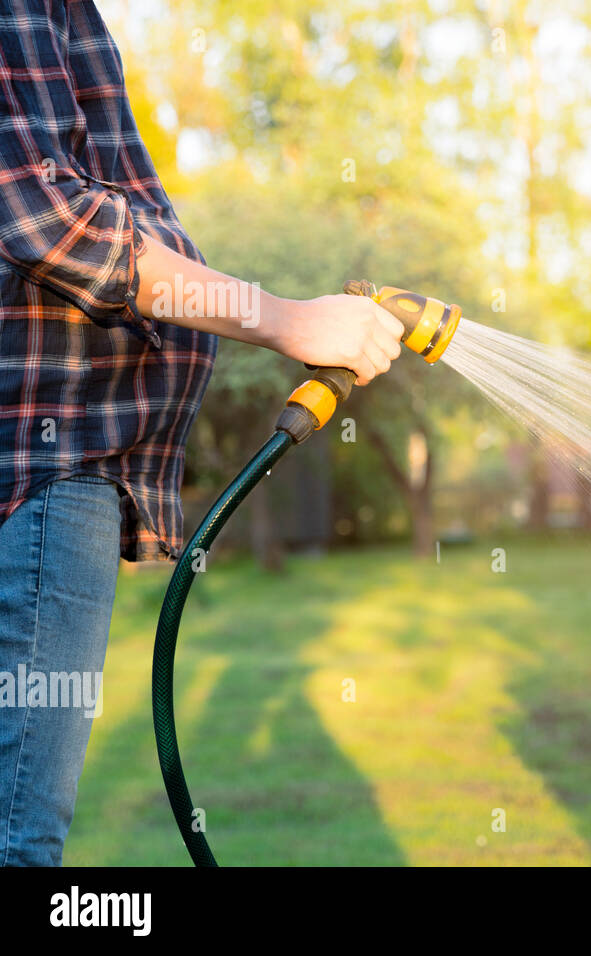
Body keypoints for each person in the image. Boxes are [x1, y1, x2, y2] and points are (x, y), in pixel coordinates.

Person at [0, 0, 404, 865]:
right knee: (20, 845)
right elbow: (47, 217)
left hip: (51, 462)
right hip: (43, 459)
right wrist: (288, 319)